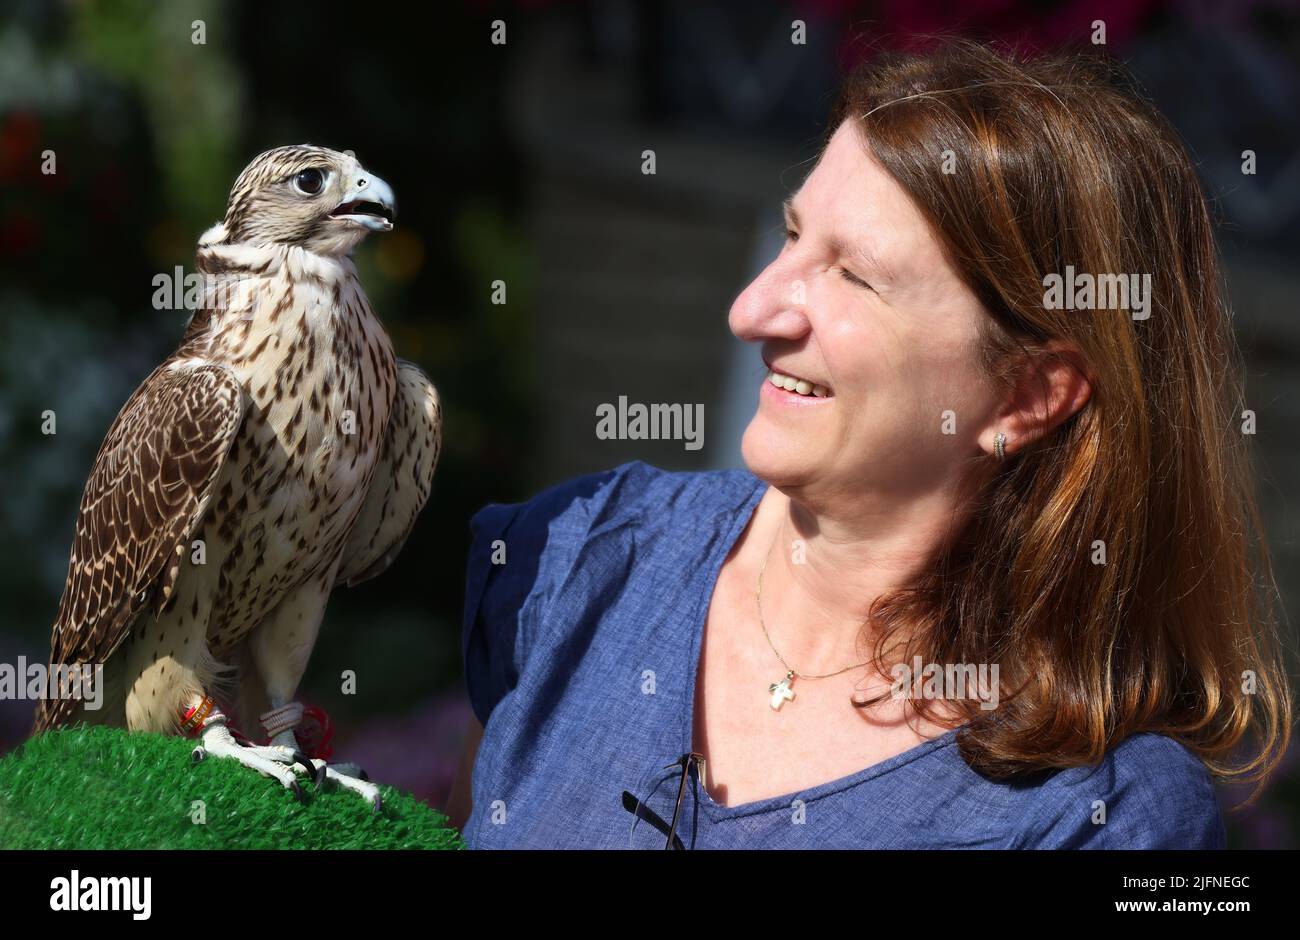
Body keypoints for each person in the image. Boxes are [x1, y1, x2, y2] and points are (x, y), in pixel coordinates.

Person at [444, 40, 1292, 848]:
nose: (753, 311)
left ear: (1030, 395)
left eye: (855, 275)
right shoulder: (587, 554)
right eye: (791, 234)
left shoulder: (1093, 813)